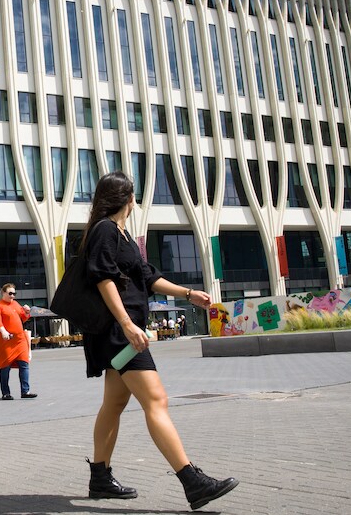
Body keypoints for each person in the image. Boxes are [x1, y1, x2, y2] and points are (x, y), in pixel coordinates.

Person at [78, 171, 238, 511]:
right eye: (134, 195)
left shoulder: (121, 234)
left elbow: (147, 276)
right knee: (156, 400)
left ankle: (100, 478)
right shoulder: (105, 230)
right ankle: (192, 481)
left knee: (114, 404)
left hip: (121, 331)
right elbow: (103, 279)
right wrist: (126, 324)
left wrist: (189, 293)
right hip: (118, 333)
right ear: (128, 199)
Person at [0, 284, 36, 400]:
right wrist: (3, 331)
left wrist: (26, 312)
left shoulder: (15, 304)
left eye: (14, 293)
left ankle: (25, 391)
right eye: (10, 293)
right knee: (5, 366)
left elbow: (23, 317)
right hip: (6, 341)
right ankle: (5, 393)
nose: (12, 296)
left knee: (24, 363)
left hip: (19, 339)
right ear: (3, 293)